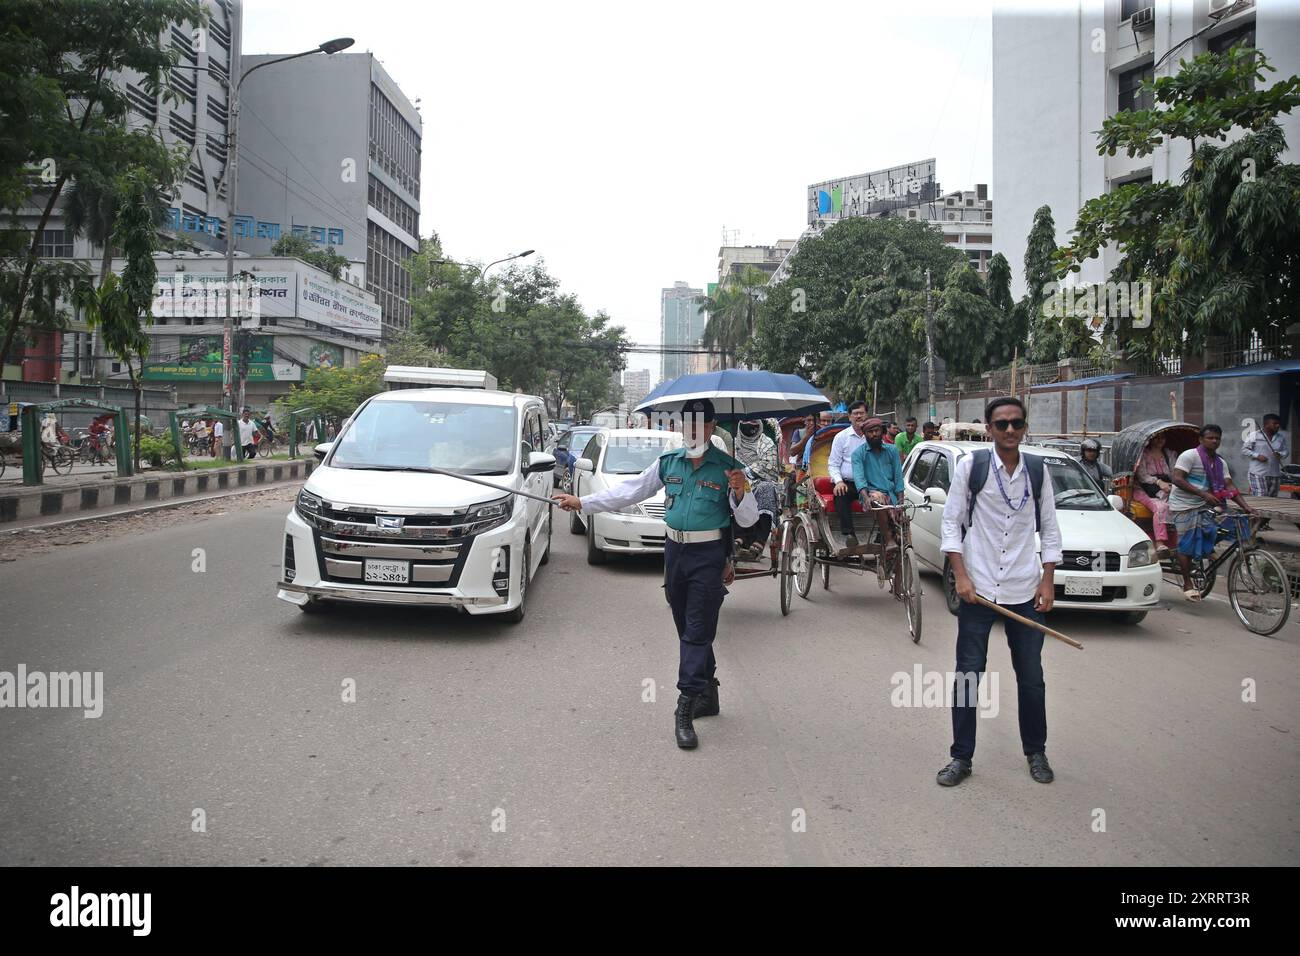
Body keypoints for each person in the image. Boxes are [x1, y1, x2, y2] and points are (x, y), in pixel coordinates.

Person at [552, 399, 758, 750]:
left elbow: (749, 519)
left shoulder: (730, 469)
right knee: (687, 627)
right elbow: (630, 490)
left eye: (700, 425)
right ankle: (708, 691)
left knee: (696, 630)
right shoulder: (668, 464)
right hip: (674, 553)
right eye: (687, 425)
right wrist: (582, 503)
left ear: (711, 428)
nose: (693, 431)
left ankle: (684, 705)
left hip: (709, 555)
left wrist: (740, 490)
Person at [936, 396, 1062, 788]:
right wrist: (961, 577)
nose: (1009, 430)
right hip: (979, 591)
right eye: (1001, 424)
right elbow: (951, 525)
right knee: (968, 677)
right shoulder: (971, 467)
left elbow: (1051, 531)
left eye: (1016, 423)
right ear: (989, 429)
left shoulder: (1038, 472)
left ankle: (1036, 752)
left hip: (1023, 589)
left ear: (1025, 428)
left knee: (1031, 678)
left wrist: (1046, 580)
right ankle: (961, 757)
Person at [1168, 424, 1255, 601]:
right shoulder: (1189, 456)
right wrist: (1202, 493)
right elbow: (1177, 478)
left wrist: (1246, 506)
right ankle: (1187, 583)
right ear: (1201, 439)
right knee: (1186, 542)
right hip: (1183, 505)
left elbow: (1229, 485)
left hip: (1206, 503)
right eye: (1210, 438)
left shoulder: (1219, 462)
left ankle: (1206, 548)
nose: (1214, 441)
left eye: (1217, 438)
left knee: (1230, 522)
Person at [851, 418, 905, 582]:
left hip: (892, 495)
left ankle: (899, 581)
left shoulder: (892, 450)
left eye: (877, 431)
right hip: (870, 494)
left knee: (903, 536)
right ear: (865, 434)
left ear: (882, 432)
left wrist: (901, 502)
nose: (874, 434)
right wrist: (866, 497)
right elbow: (859, 479)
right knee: (878, 500)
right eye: (870, 431)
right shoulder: (858, 454)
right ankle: (887, 539)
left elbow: (898, 478)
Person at [732, 418, 780, 561]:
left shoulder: (767, 443)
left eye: (754, 424)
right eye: (747, 424)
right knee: (734, 488)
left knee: (767, 489)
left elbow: (769, 466)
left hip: (760, 480)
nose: (750, 427)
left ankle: (759, 540)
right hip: (737, 480)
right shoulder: (734, 443)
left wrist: (745, 472)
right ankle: (738, 537)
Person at [827, 401, 871, 549]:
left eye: (862, 413)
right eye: (855, 413)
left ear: (867, 415)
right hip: (848, 483)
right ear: (849, 417)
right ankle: (849, 534)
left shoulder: (873, 436)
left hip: (869, 483)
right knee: (841, 494)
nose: (859, 416)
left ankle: (883, 535)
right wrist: (838, 481)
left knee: (885, 495)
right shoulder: (841, 437)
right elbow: (833, 464)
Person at [1132, 432, 1177, 557]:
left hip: (1166, 488)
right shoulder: (1143, 454)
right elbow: (1142, 476)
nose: (1159, 441)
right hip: (1143, 489)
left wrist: (1172, 485)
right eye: (1156, 438)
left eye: (1162, 438)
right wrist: (1159, 482)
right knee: (1161, 508)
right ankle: (1160, 542)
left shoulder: (1169, 454)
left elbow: (1174, 473)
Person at [1241, 413, 1290, 497]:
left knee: (1272, 499)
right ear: (1266, 424)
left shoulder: (1280, 437)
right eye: (1274, 423)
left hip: (1274, 473)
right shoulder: (1254, 435)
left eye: (1278, 424)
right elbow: (1244, 450)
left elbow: (1286, 452)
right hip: (1258, 473)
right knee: (1261, 497)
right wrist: (1257, 456)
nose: (1277, 426)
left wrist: (1280, 454)